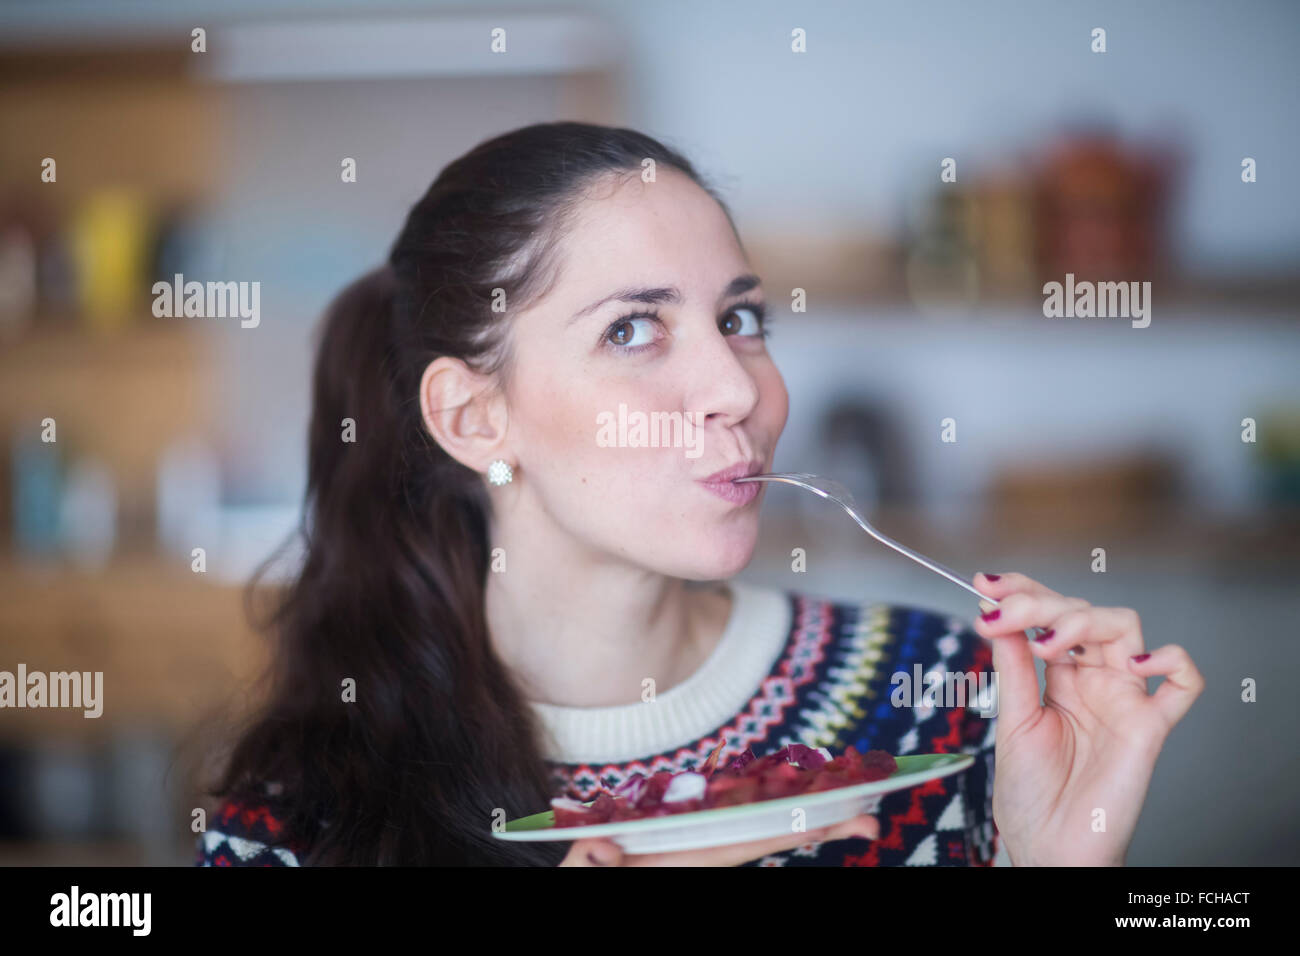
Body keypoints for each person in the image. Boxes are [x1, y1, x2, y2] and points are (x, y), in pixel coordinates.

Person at [195, 122, 1203, 867]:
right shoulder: (299, 821)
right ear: (472, 418)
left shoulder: (952, 697)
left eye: (742, 317)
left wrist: (1063, 861)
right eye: (632, 329)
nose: (739, 388)